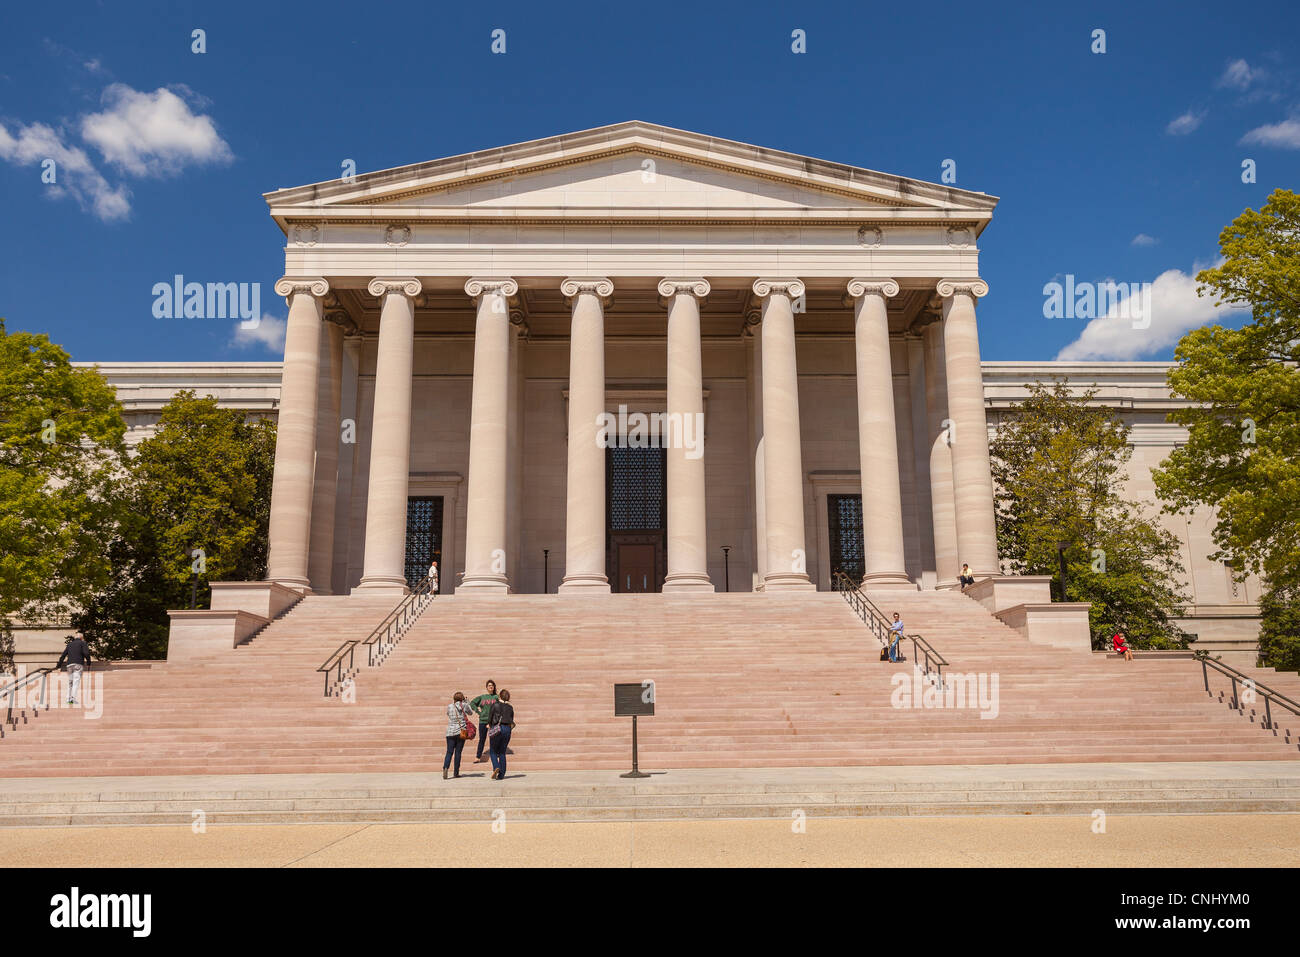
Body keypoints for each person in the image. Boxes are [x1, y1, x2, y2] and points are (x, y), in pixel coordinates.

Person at [56, 634, 92, 706]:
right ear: (82, 638)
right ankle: (72, 698)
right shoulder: (83, 643)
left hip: (69, 665)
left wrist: (59, 664)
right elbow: (86, 653)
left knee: (70, 682)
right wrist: (88, 662)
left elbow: (63, 655)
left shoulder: (69, 644)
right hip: (78, 664)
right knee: (76, 681)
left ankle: (68, 698)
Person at [443, 691, 472, 779]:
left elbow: (448, 714)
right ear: (462, 698)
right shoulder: (464, 705)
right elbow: (470, 713)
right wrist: (467, 703)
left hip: (450, 732)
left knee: (449, 752)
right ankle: (456, 772)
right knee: (458, 752)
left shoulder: (450, 706)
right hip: (461, 732)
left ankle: (445, 767)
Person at [488, 689, 516, 780]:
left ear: (499, 696)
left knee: (493, 751)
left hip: (497, 728)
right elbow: (511, 718)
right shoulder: (510, 707)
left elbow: (490, 717)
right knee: (502, 752)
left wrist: (489, 725)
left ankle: (496, 766)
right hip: (507, 729)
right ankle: (501, 775)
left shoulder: (495, 704)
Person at [470, 679, 500, 763]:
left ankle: (495, 754)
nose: (491, 687)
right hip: (483, 721)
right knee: (482, 739)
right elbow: (472, 703)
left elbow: (501, 706)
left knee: (494, 738)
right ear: (486, 687)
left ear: (494, 687)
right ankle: (478, 756)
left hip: (493, 721)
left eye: (492, 685)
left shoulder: (496, 697)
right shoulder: (482, 697)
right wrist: (478, 712)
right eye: (489, 685)